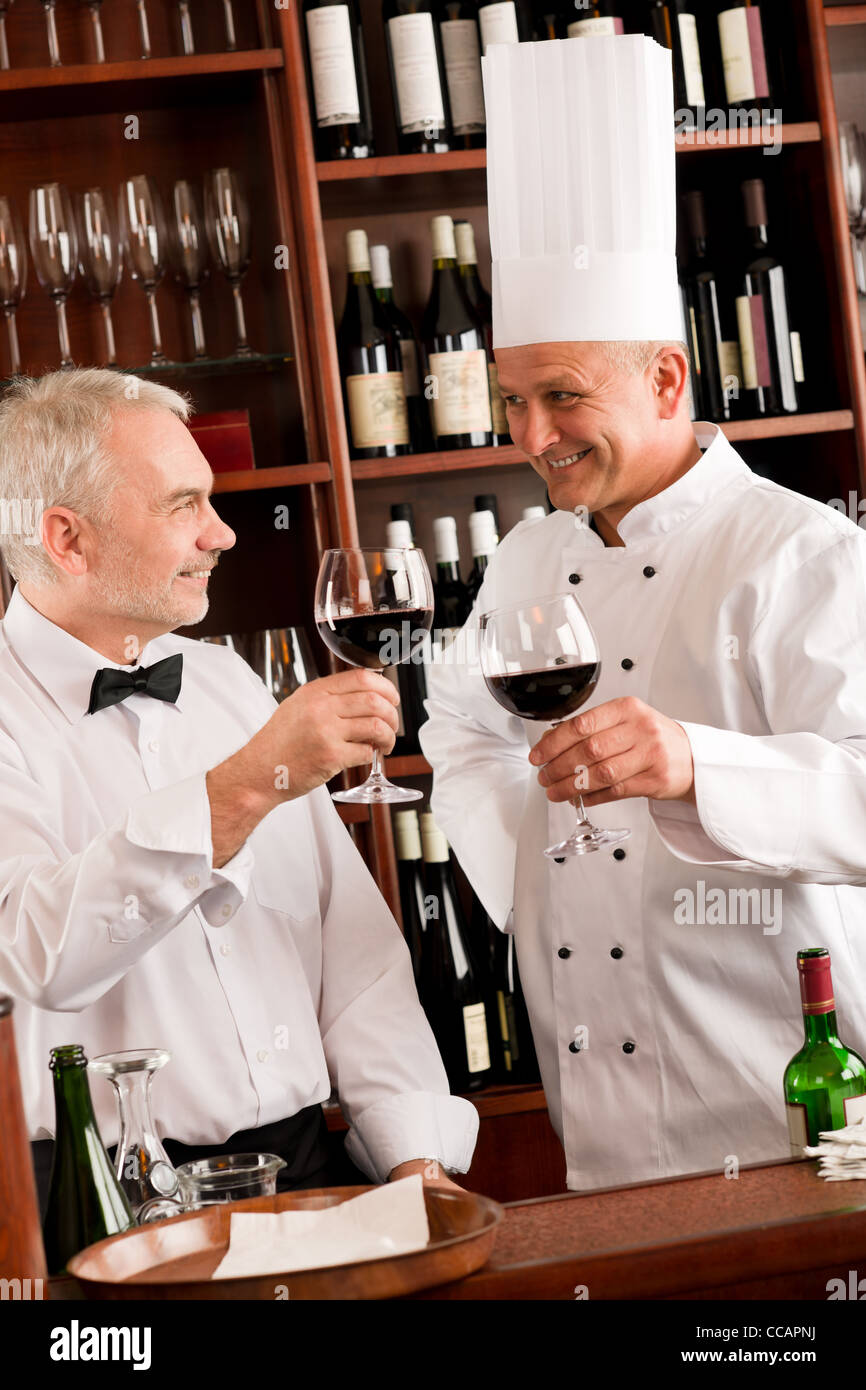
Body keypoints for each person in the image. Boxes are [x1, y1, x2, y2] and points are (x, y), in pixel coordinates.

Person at [419, 35, 866, 1191]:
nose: (530, 438)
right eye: (512, 400)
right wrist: (534, 847)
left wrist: (691, 765)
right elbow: (460, 726)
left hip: (781, 1099)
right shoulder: (522, 559)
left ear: (666, 380)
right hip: (597, 1130)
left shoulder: (800, 553)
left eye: (562, 395)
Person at [0, 368, 478, 1209]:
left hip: (307, 1177)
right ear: (67, 539)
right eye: (183, 505)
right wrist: (249, 786)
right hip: (98, 1201)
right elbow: (34, 952)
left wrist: (414, 1159)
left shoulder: (230, 684)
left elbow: (352, 953)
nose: (221, 534)